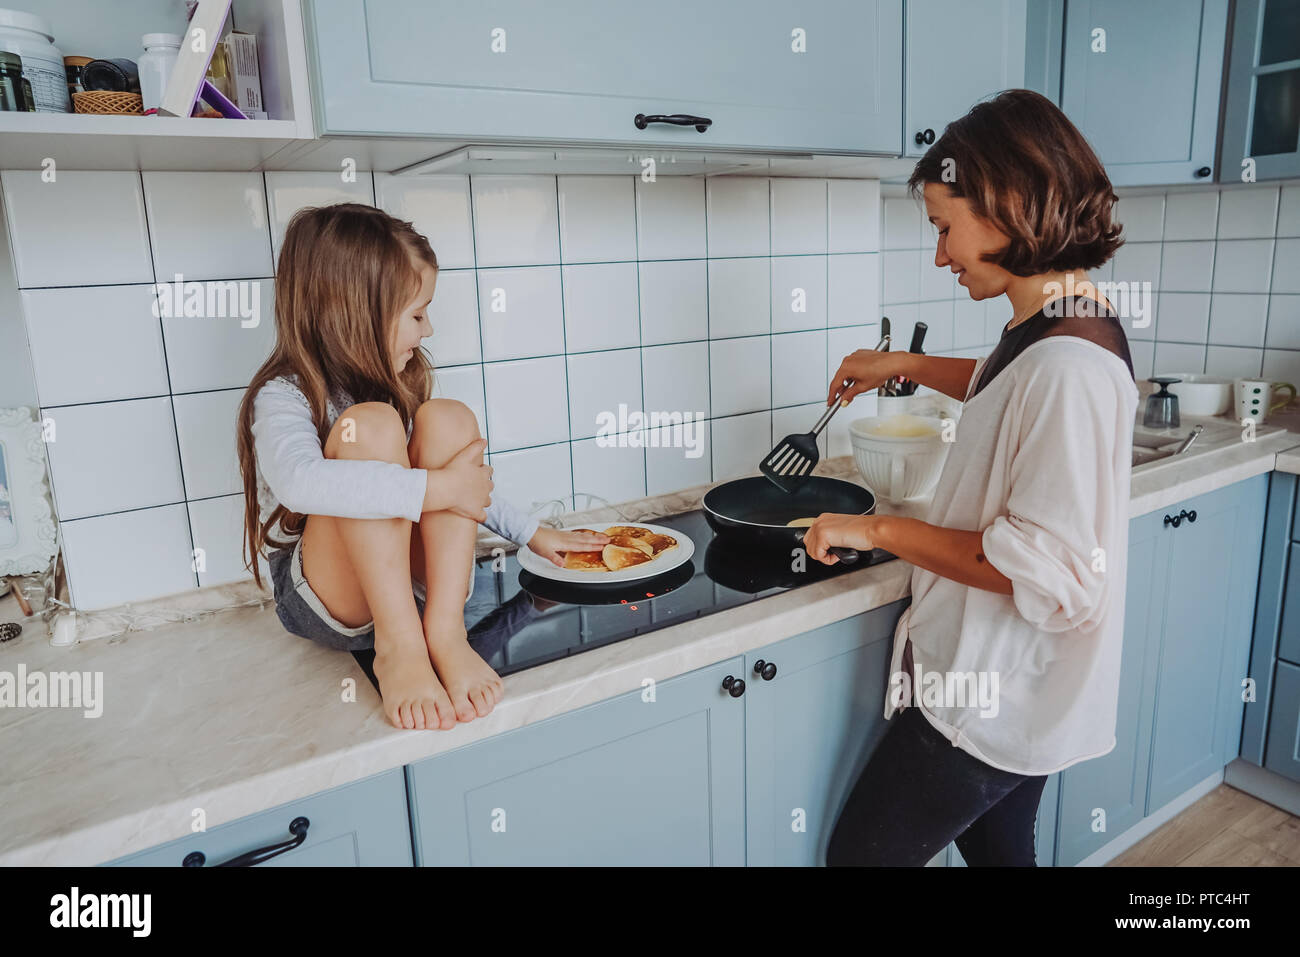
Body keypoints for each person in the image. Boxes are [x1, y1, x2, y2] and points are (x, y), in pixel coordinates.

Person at [805, 89, 1138, 865]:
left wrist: (878, 528)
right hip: (1023, 682)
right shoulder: (1061, 318)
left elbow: (1052, 571)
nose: (940, 254)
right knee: (1000, 847)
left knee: (861, 857)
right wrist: (906, 366)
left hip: (998, 686)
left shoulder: (1071, 364)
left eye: (943, 227)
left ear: (1009, 204)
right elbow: (1005, 381)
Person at [235, 203, 609, 732]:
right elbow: (303, 483)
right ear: (352, 313)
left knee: (449, 419)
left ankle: (445, 633)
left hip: (407, 589)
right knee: (369, 428)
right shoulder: (286, 396)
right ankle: (399, 647)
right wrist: (442, 488)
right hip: (327, 599)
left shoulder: (400, 381)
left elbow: (456, 487)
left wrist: (530, 532)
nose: (428, 328)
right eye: (417, 314)